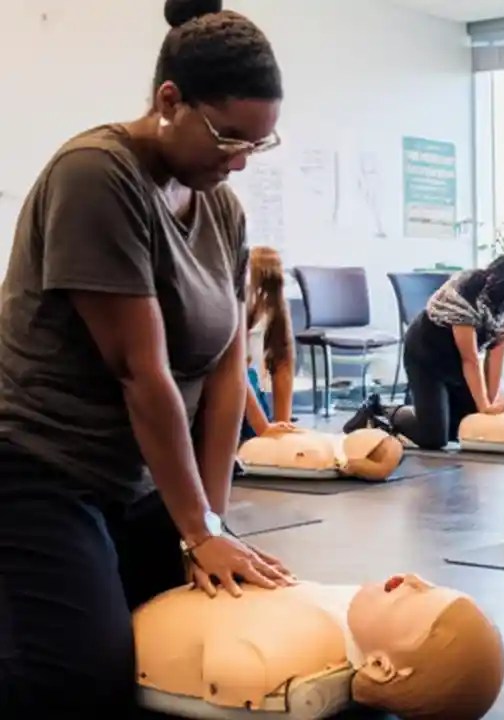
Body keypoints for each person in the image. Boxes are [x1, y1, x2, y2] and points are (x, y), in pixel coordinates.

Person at [0, 1, 293, 714]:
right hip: (38, 466)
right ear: (170, 101)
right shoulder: (95, 176)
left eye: (258, 143)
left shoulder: (220, 206)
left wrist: (211, 526)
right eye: (228, 137)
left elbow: (226, 372)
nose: (239, 159)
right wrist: (194, 532)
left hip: (137, 476)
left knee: (215, 626)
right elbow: (143, 371)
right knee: (85, 678)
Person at [345, 252, 504, 450]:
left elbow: (497, 348)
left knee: (464, 426)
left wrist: (489, 403)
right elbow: (471, 360)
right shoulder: (466, 290)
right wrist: (484, 405)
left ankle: (430, 414)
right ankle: (378, 410)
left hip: (456, 361)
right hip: (426, 354)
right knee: (433, 437)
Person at [241, 246, 296, 440]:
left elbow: (283, 366)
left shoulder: (277, 308)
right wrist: (263, 428)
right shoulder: (237, 304)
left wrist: (282, 427)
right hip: (227, 387)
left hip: (248, 384)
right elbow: (233, 372)